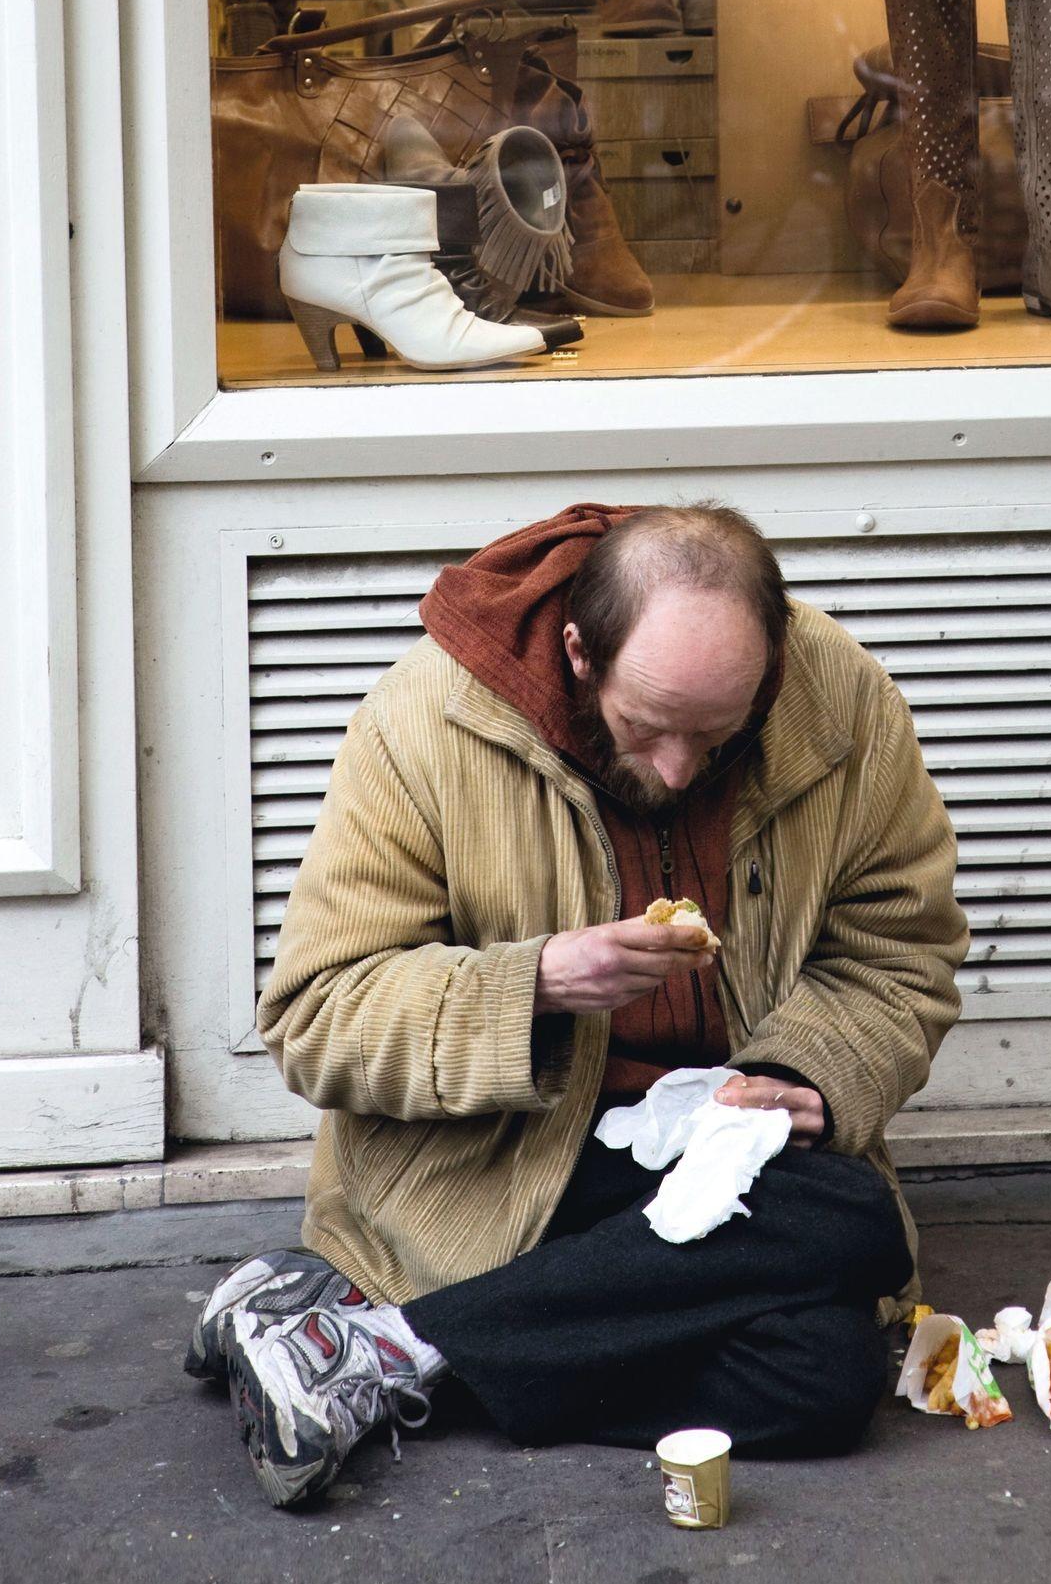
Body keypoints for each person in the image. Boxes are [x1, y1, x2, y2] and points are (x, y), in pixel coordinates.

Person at [187, 501, 967, 1509]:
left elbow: (898, 948)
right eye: (647, 728)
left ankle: (375, 1347)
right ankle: (465, 1327)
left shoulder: (839, 699)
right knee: (842, 1224)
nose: (678, 767)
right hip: (501, 1162)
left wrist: (804, 1071)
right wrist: (537, 985)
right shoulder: (426, 719)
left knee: (825, 1379)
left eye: (716, 735)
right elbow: (315, 1013)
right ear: (578, 654)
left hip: (717, 1142)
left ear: (767, 668)